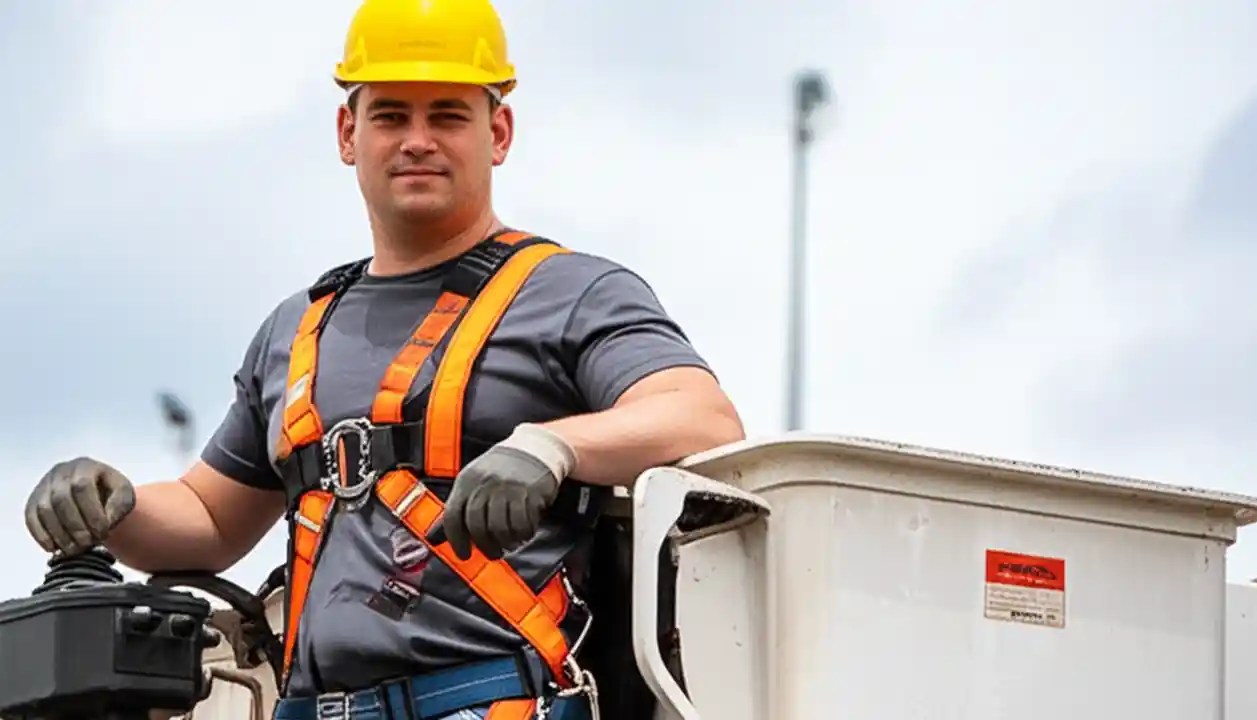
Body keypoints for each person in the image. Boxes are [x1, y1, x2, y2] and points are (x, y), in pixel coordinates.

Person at [21, 1, 745, 719]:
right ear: (349, 133)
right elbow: (211, 518)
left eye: (448, 115)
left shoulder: (570, 293)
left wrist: (553, 446)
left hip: (488, 702)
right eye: (392, 115)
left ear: (498, 132)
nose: (418, 140)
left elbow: (702, 418)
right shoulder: (296, 331)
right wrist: (112, 502)